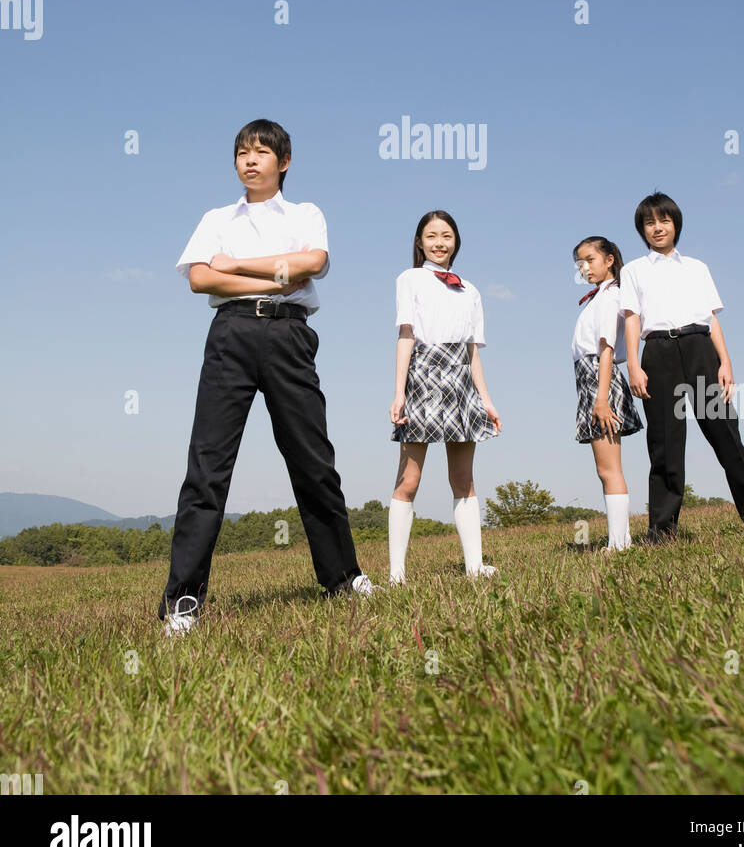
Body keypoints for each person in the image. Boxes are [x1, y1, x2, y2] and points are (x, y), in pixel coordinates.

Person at [158, 119, 373, 636]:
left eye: (260, 152)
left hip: (288, 336)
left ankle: (344, 578)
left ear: (285, 161)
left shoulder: (305, 213)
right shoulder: (215, 217)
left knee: (313, 460)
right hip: (230, 334)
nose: (249, 160)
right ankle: (183, 600)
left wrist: (236, 265)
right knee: (208, 467)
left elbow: (312, 264)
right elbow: (200, 278)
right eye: (241, 153)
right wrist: (276, 271)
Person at [620, 191, 744, 544]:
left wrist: (725, 362)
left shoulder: (697, 267)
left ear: (676, 224)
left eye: (664, 220)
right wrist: (633, 364)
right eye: (649, 223)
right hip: (658, 353)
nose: (657, 228)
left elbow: (710, 318)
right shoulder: (633, 271)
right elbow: (632, 319)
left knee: (726, 435)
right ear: (642, 230)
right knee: (664, 444)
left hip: (700, 351)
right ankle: (662, 533)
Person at [388, 210, 500, 584]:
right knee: (408, 480)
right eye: (431, 235)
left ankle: (474, 566)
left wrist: (485, 399)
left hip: (461, 379)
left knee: (464, 478)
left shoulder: (470, 289)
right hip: (423, 372)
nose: (439, 242)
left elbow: (473, 351)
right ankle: (397, 575)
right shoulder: (410, 279)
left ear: (456, 241)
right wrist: (399, 392)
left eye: (447, 235)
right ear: (419, 242)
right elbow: (405, 334)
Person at [571, 235, 644, 550]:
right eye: (580, 263)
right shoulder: (599, 296)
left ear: (610, 259)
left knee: (609, 467)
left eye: (590, 259)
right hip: (590, 378)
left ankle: (620, 542)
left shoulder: (611, 296)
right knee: (605, 468)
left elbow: (606, 348)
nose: (585, 267)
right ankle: (619, 540)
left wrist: (601, 399)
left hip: (601, 379)